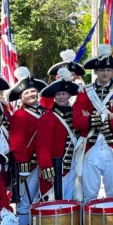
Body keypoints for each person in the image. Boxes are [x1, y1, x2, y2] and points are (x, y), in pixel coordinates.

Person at [73, 44, 113, 202]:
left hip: (112, 146)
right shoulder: (85, 91)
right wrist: (108, 117)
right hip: (90, 146)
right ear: (96, 71)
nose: (105, 73)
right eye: (101, 70)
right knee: (89, 193)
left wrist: (92, 118)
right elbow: (78, 121)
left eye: (108, 70)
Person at [7, 66, 46, 225]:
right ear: (21, 97)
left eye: (33, 91)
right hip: (29, 164)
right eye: (27, 93)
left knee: (40, 198)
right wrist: (23, 165)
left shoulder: (46, 111)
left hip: (44, 163)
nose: (31, 95)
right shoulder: (19, 115)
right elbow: (17, 143)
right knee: (26, 201)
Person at [36, 68, 82, 201]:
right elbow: (43, 146)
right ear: (54, 97)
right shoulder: (47, 117)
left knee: (73, 200)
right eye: (58, 94)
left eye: (64, 93)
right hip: (58, 166)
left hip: (75, 163)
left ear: (69, 95)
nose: (61, 97)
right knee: (55, 201)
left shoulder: (76, 114)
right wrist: (47, 169)